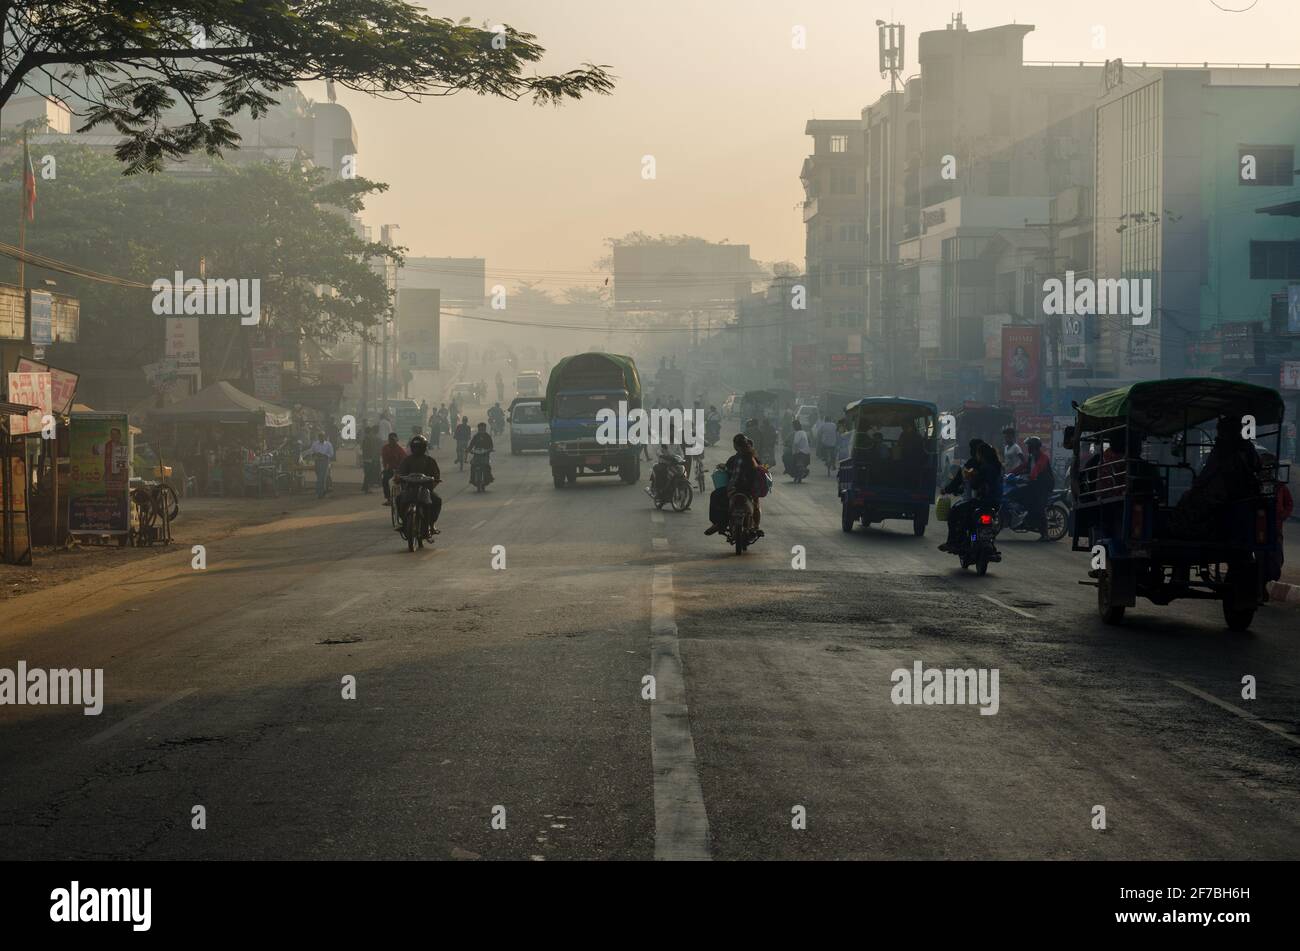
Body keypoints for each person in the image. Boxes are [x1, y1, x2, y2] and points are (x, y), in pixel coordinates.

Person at [940, 439, 1000, 553]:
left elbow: (971, 484)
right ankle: (985, 541)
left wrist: (970, 479)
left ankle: (954, 542)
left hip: (980, 501)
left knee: (955, 513)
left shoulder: (978, 466)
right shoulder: (997, 466)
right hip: (996, 503)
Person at [705, 434, 765, 535]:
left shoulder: (736, 458)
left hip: (736, 489)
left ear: (736, 446)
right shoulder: (753, 458)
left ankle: (718, 523)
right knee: (756, 504)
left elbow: (732, 474)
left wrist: (724, 469)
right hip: (750, 491)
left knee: (716, 496)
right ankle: (756, 527)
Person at [1007, 435, 1053, 537]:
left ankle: (1045, 534)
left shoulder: (1043, 457)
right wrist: (1011, 474)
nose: (1027, 448)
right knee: (1017, 493)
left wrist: (1031, 476)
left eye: (1029, 446)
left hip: (1043, 486)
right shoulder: (1032, 457)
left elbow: (1038, 468)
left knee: (1039, 508)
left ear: (1034, 447)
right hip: (1033, 484)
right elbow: (1023, 466)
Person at [395, 434, 442, 533]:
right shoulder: (407, 460)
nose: (417, 449)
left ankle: (432, 524)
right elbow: (400, 472)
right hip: (409, 489)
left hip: (425, 489)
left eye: (419, 447)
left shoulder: (430, 461)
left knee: (437, 500)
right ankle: (404, 522)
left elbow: (436, 475)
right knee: (399, 499)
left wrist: (434, 481)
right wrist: (399, 478)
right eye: (415, 447)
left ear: (424, 448)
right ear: (412, 447)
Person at [306, 430, 335, 498]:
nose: (321, 437)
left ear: (324, 437)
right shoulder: (315, 443)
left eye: (322, 436)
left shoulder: (328, 444)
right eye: (320, 436)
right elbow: (311, 451)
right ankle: (322, 491)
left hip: (325, 461)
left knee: (322, 477)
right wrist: (309, 454)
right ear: (318, 437)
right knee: (319, 477)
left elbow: (331, 454)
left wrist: (324, 455)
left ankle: (319, 492)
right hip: (317, 461)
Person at [380, 432, 406, 506]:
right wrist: (385, 469)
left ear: (396, 440)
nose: (392, 441)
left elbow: (404, 461)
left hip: (399, 470)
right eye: (391, 440)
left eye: (394, 440)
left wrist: (399, 470)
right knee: (385, 480)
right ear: (388, 440)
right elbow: (384, 460)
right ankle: (388, 498)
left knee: (404, 481)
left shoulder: (400, 449)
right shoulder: (385, 448)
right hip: (390, 469)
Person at [360, 424, 381, 494]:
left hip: (366, 458)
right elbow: (371, 449)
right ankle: (367, 488)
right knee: (369, 474)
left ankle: (364, 486)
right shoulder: (370, 439)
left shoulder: (366, 438)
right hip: (370, 458)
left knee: (367, 473)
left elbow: (363, 448)